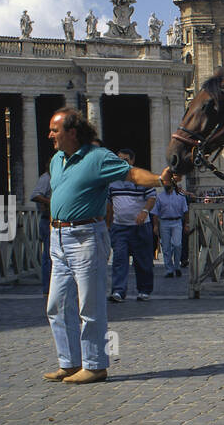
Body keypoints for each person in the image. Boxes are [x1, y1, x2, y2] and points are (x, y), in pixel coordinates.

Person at [44, 109, 172, 384]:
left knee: (89, 305)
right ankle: (69, 362)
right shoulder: (56, 160)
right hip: (58, 238)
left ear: (72, 132)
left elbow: (133, 174)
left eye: (55, 130)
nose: (50, 135)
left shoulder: (98, 157)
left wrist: (160, 180)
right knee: (57, 304)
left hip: (86, 236)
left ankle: (95, 364)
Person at [108, 147, 157, 303]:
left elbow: (152, 198)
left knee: (143, 260)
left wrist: (144, 211)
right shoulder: (111, 180)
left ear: (132, 161)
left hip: (140, 226)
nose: (122, 163)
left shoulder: (141, 178)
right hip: (119, 226)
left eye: (125, 160)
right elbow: (108, 204)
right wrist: (107, 224)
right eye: (119, 160)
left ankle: (144, 290)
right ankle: (118, 291)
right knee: (119, 260)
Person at [154, 176, 189, 277]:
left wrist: (187, 224)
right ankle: (169, 269)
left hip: (177, 222)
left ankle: (177, 266)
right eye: (165, 183)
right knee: (166, 247)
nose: (166, 185)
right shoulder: (159, 197)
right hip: (164, 222)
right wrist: (155, 226)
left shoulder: (180, 196)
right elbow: (155, 213)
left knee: (177, 244)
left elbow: (185, 211)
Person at [31, 170, 52, 295]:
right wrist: (52, 203)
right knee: (49, 256)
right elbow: (35, 195)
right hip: (47, 220)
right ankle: (48, 288)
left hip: (52, 220)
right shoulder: (46, 178)